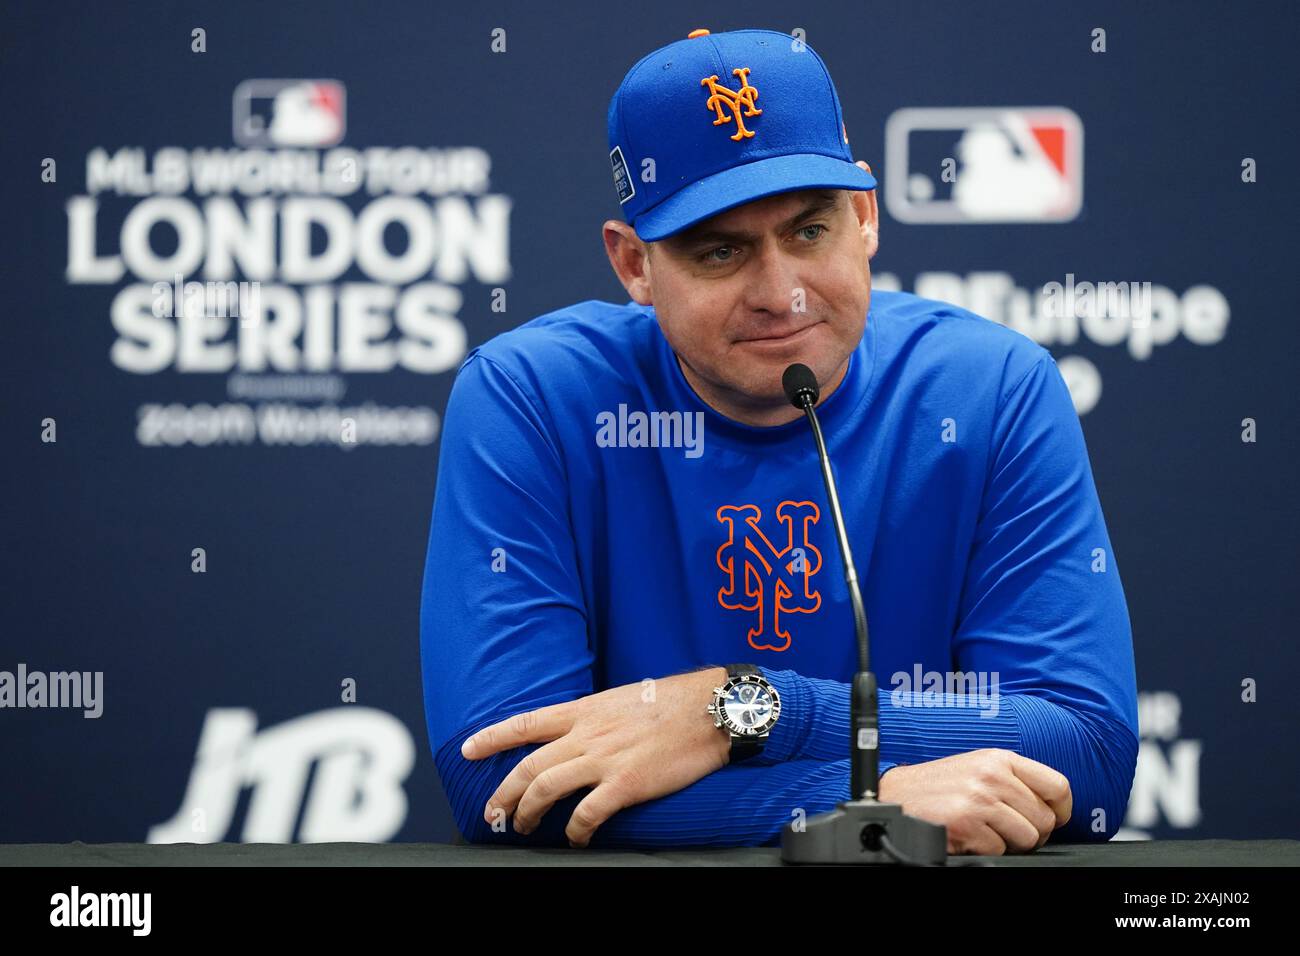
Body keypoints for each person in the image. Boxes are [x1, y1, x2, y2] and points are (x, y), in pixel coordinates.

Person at [419, 27, 1138, 854]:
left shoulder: (992, 387)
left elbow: (1088, 749)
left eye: (808, 231)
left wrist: (742, 711)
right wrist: (863, 805)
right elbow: (503, 782)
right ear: (634, 267)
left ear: (864, 217)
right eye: (720, 251)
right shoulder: (532, 397)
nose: (781, 293)